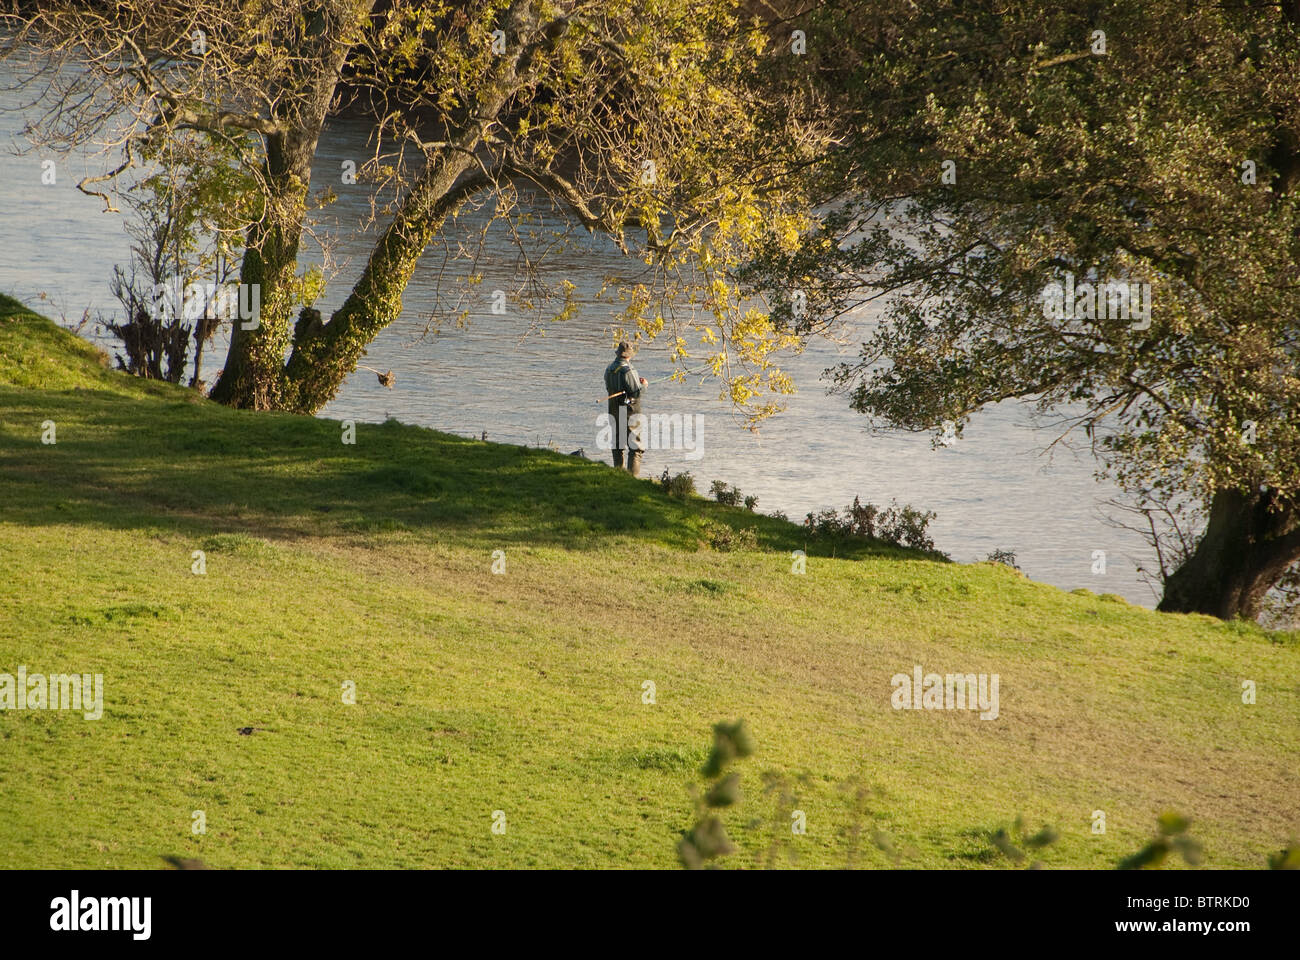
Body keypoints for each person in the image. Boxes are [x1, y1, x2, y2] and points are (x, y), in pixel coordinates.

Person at [604, 340, 647, 476]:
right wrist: (644, 384)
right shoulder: (628, 369)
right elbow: (636, 393)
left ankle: (619, 474)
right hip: (629, 412)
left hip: (614, 409)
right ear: (629, 355)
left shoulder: (609, 368)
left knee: (618, 444)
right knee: (635, 447)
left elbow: (609, 387)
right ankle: (632, 479)